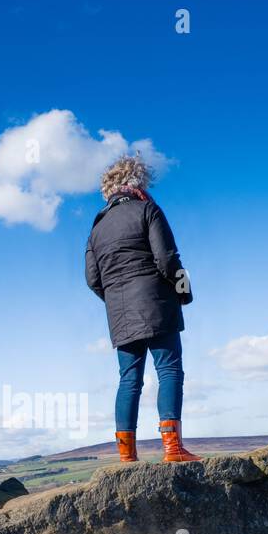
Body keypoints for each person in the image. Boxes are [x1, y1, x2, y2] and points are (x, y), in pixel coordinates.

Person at [85, 153, 199, 463]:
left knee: (129, 379)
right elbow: (167, 259)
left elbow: (92, 278)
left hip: (120, 316)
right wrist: (184, 293)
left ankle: (126, 455)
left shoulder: (96, 228)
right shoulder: (148, 209)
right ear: (137, 183)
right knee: (169, 370)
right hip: (158, 304)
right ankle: (173, 449)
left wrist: (115, 302)